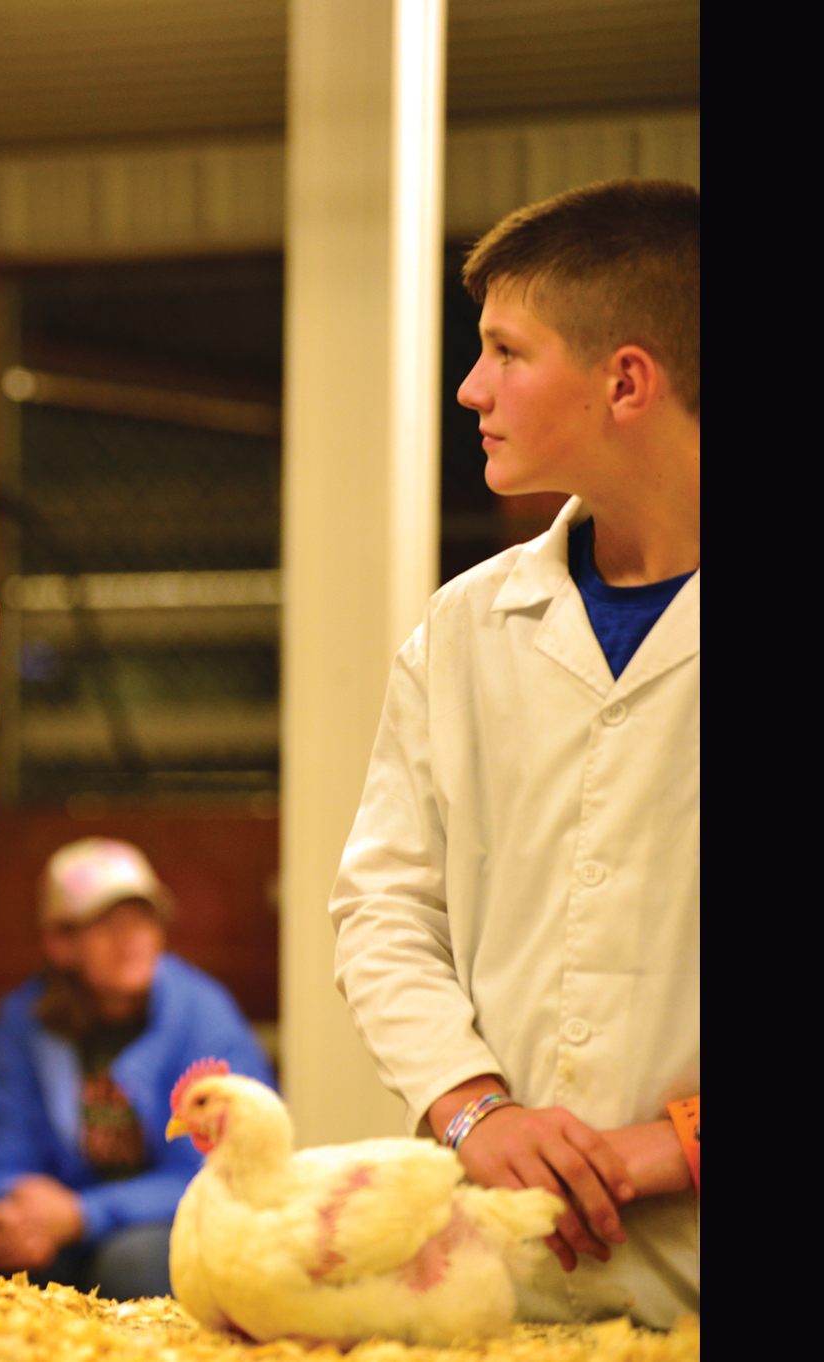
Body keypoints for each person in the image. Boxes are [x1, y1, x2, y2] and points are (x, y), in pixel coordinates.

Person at [328, 178, 699, 1328]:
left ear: (624, 380)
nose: (469, 387)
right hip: (499, 1284)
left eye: (504, 350)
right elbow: (384, 909)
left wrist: (672, 1147)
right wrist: (474, 1111)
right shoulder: (465, 627)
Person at [0, 838, 272, 1299]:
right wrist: (26, 1216)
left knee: (130, 1264)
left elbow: (223, 1174)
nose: (130, 939)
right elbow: (3, 1160)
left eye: (143, 920)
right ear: (60, 942)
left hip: (170, 1219)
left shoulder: (204, 1017)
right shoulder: (25, 1021)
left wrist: (84, 1214)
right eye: (106, 925)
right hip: (62, 1228)